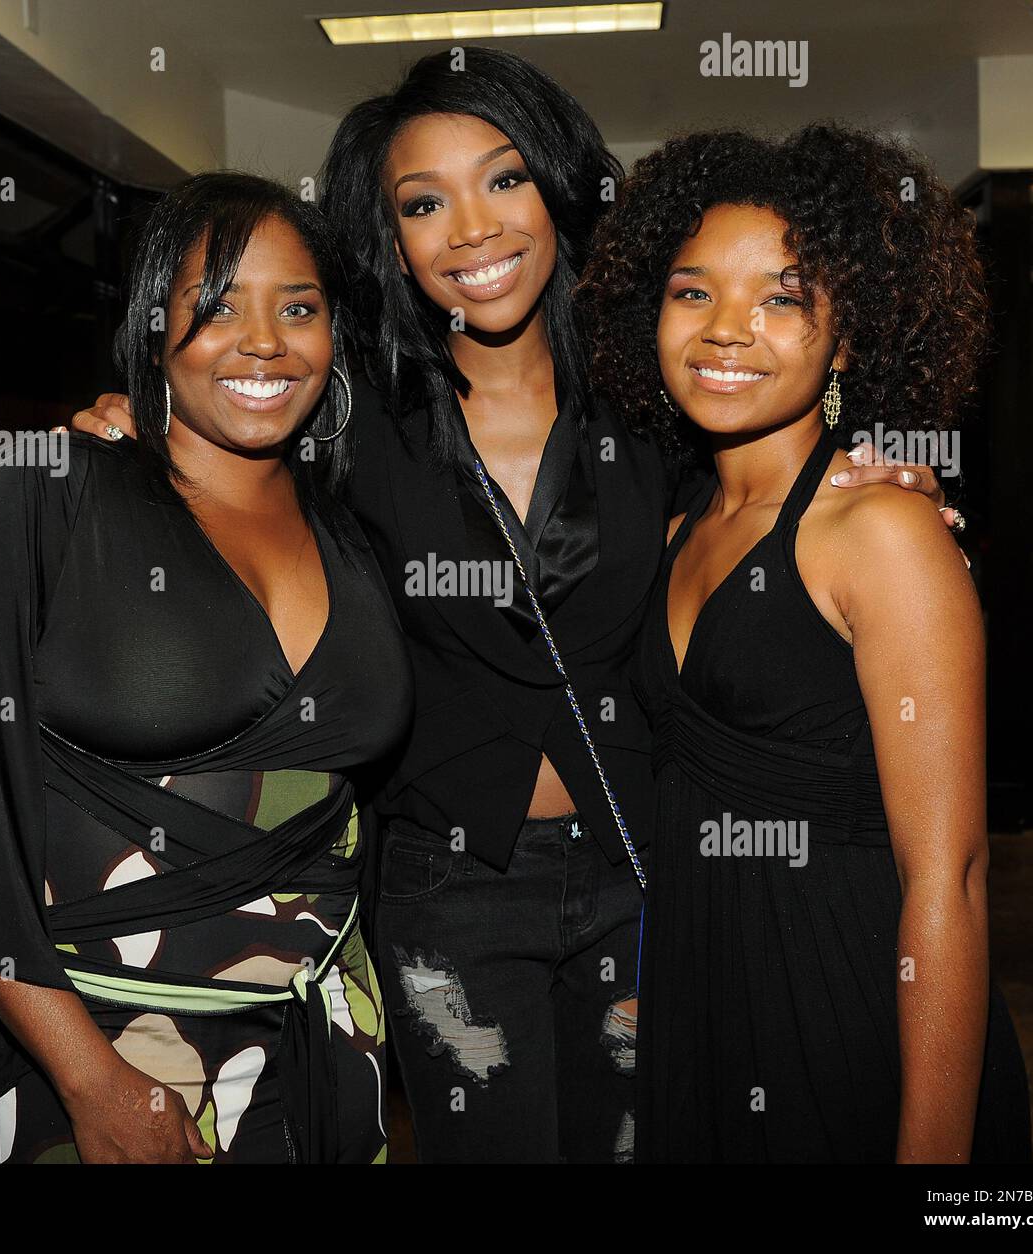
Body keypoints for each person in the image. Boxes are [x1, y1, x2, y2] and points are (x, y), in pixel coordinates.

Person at [69, 49, 957, 1165]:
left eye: (503, 181)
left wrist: (886, 473)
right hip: (447, 884)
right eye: (422, 203)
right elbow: (227, 440)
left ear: (556, 185)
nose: (471, 229)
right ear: (389, 239)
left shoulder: (666, 398)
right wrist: (131, 428)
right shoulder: (344, 421)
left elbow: (768, 506)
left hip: (650, 865)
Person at [0, 172, 412, 1164]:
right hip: (116, 1056)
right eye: (216, 306)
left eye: (300, 308)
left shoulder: (352, 537)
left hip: (334, 1041)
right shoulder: (44, 502)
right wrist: (90, 1078)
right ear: (153, 332)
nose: (265, 340)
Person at [577, 124, 1032, 1162]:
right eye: (693, 292)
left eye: (781, 298)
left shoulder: (881, 532)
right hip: (704, 997)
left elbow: (950, 878)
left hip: (849, 1000)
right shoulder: (680, 524)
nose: (726, 330)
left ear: (850, 334)